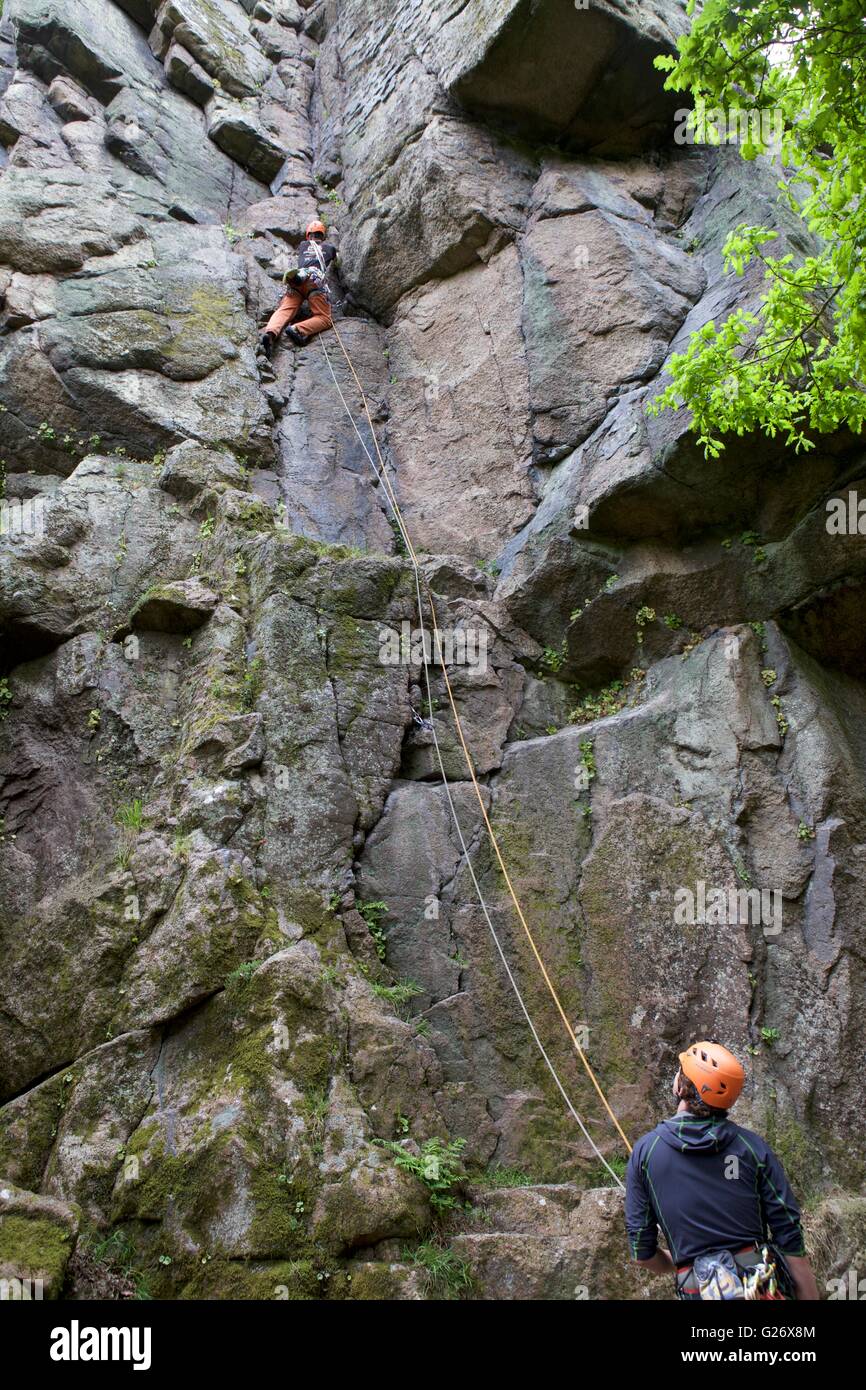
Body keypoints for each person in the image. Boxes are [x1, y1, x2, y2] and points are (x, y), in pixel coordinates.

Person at [625, 1040, 820, 1300]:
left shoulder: (646, 1152)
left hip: (698, 1289)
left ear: (681, 1086)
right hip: (759, 1287)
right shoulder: (751, 1148)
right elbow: (789, 1234)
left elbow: (642, 1252)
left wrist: (690, 1260)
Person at [260, 220, 338, 357]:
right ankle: (297, 329)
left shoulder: (302, 245)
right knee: (325, 318)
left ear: (308, 236)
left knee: (284, 310)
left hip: (297, 278)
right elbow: (336, 260)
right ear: (323, 237)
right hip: (314, 280)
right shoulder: (329, 248)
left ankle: (270, 333)